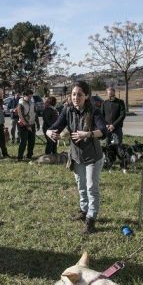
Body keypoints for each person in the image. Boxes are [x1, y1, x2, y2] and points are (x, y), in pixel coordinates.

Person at [46, 81, 108, 234]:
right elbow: (56, 126)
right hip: (76, 156)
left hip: (93, 157)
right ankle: (83, 210)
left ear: (86, 96)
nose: (75, 97)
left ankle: (91, 220)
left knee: (91, 187)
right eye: (73, 94)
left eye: (79, 94)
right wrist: (49, 132)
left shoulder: (94, 111)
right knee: (81, 185)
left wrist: (88, 134)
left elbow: (104, 130)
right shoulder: (67, 110)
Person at [16, 90, 38, 161]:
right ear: (24, 96)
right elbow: (21, 116)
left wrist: (37, 122)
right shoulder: (20, 104)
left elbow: (35, 113)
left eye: (31, 97)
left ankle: (29, 156)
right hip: (23, 126)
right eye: (29, 97)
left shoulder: (32, 103)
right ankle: (20, 157)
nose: (30, 98)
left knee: (32, 141)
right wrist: (27, 126)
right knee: (23, 142)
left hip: (32, 124)